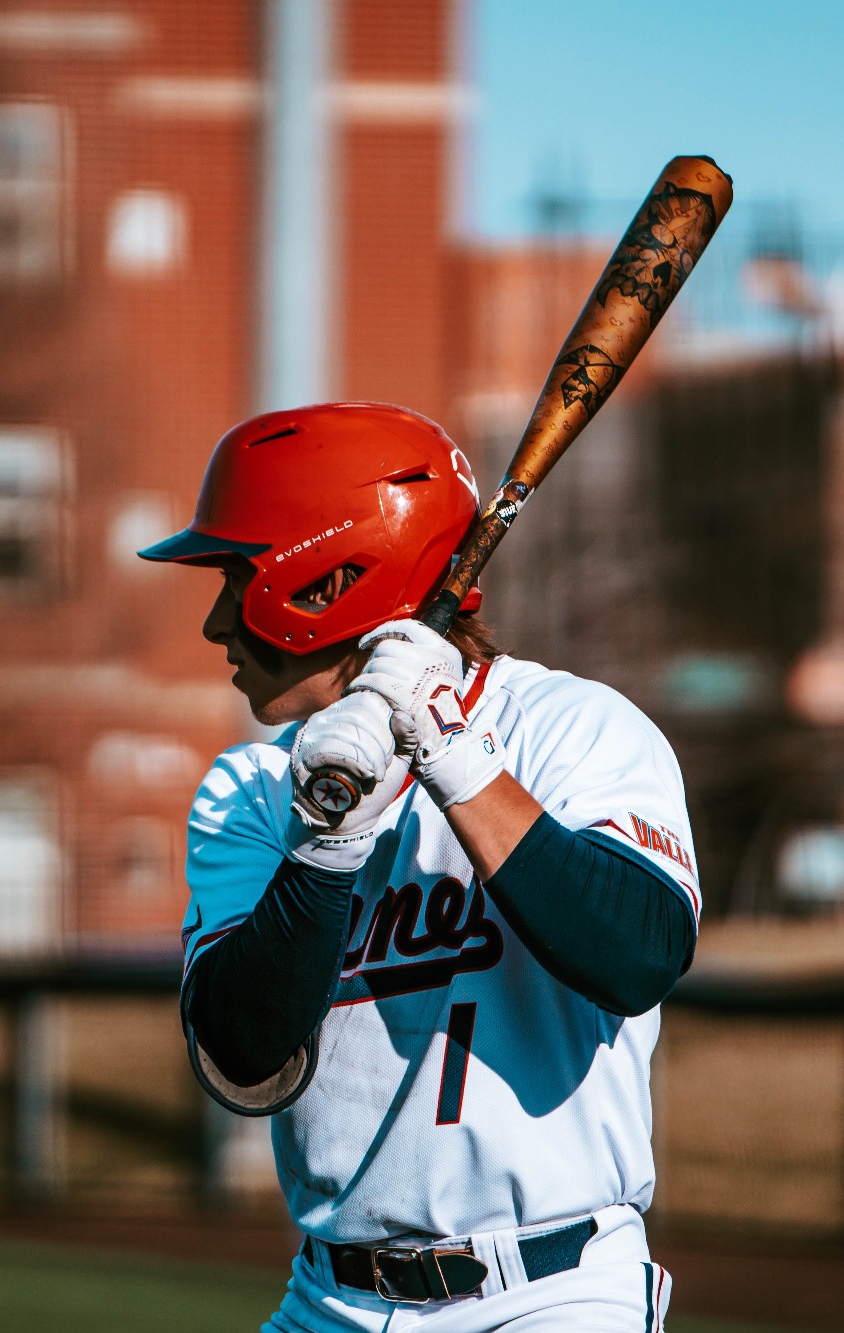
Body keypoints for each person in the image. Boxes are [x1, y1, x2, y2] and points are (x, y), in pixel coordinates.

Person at [140, 402, 700, 1331]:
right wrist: (326, 841)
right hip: (330, 1299)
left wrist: (453, 752)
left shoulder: (569, 727)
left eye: (239, 576)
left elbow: (637, 952)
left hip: (551, 1293)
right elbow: (244, 1054)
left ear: (325, 580)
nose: (215, 623)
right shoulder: (251, 790)